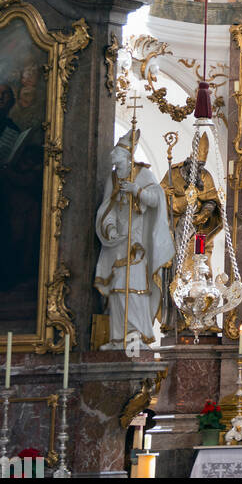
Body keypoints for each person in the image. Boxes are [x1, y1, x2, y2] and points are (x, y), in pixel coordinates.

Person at [94, 129, 174, 349]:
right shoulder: (113, 177)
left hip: (137, 242)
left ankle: (136, 337)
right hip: (117, 241)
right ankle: (118, 339)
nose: (112, 156)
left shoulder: (142, 174)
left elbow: (157, 200)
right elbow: (107, 208)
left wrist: (136, 190)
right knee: (116, 291)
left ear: (127, 156)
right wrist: (109, 228)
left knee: (134, 288)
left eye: (117, 153)